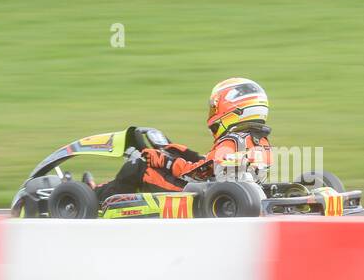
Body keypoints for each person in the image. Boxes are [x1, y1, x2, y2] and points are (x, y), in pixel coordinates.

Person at [93, 77, 272, 201]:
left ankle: (93, 198)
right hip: (227, 190)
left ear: (232, 111)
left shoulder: (230, 141)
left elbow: (197, 173)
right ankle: (96, 190)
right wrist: (180, 151)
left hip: (196, 195)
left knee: (140, 166)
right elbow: (212, 165)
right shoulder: (258, 140)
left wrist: (165, 161)